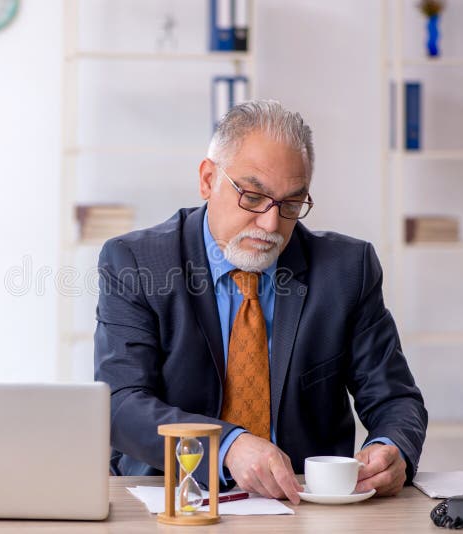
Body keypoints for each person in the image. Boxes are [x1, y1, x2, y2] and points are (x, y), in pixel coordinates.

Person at [94, 100, 427, 505]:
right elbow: (120, 404)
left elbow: (395, 398)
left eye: (291, 204)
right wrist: (227, 446)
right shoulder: (136, 263)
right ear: (207, 180)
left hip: (303, 505)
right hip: (171, 499)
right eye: (253, 197)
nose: (271, 224)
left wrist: (392, 449)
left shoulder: (346, 270)